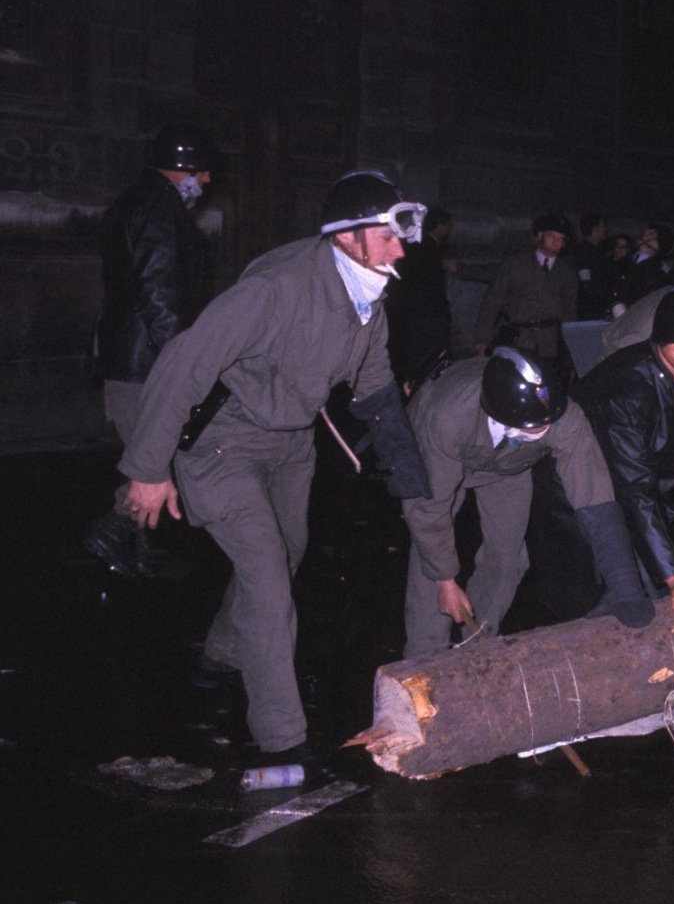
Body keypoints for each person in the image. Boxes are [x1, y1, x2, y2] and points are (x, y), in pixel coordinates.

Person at [114, 168, 431, 759]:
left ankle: (216, 658)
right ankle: (282, 736)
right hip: (223, 445)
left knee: (286, 555)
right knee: (266, 581)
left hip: (291, 446)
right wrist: (148, 469)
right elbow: (184, 363)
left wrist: (416, 486)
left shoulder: (368, 296)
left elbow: (378, 389)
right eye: (386, 235)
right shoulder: (277, 289)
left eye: (401, 234)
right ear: (345, 237)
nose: (400, 247)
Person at [401, 349, 653, 658]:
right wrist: (446, 581)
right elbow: (429, 510)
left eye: (547, 424)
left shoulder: (560, 414)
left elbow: (594, 495)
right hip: (443, 454)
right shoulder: (446, 416)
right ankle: (425, 656)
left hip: (508, 466)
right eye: (534, 427)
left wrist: (623, 584)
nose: (546, 430)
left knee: (509, 559)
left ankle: (477, 644)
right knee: (433, 560)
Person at [84, 123, 218, 579]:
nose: (205, 183)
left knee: (153, 454)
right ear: (181, 168)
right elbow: (159, 291)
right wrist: (178, 362)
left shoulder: (133, 202)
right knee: (158, 455)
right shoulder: (159, 208)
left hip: (128, 353)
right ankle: (113, 529)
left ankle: (139, 550)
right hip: (145, 360)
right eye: (200, 173)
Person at [574, 287, 674, 619]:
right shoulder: (626, 391)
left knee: (661, 588)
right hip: (592, 500)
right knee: (629, 596)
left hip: (645, 490)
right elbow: (634, 489)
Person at [472, 213, 578, 361]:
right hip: (516, 337)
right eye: (551, 236)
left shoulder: (566, 273)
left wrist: (573, 345)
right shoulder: (515, 264)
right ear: (540, 235)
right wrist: (482, 338)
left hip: (548, 342)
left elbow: (570, 311)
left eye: (561, 239)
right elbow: (492, 301)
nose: (556, 242)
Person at [386, 205, 454, 389]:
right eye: (448, 226)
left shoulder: (417, 247)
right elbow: (429, 289)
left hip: (409, 317)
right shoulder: (429, 250)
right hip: (423, 320)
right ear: (440, 226)